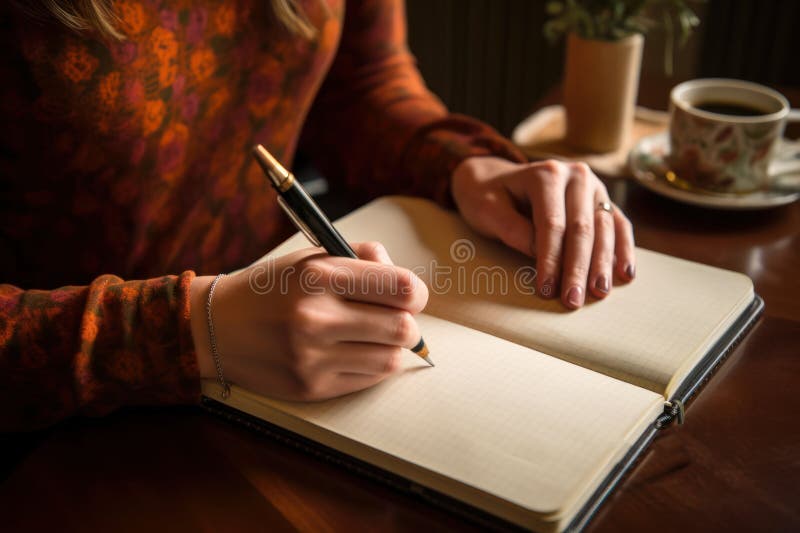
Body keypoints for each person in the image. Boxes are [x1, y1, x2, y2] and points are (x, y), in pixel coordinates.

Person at [0, 0, 636, 431]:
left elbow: (360, 84)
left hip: (279, 358)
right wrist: (187, 329)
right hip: (61, 437)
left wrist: (465, 165)